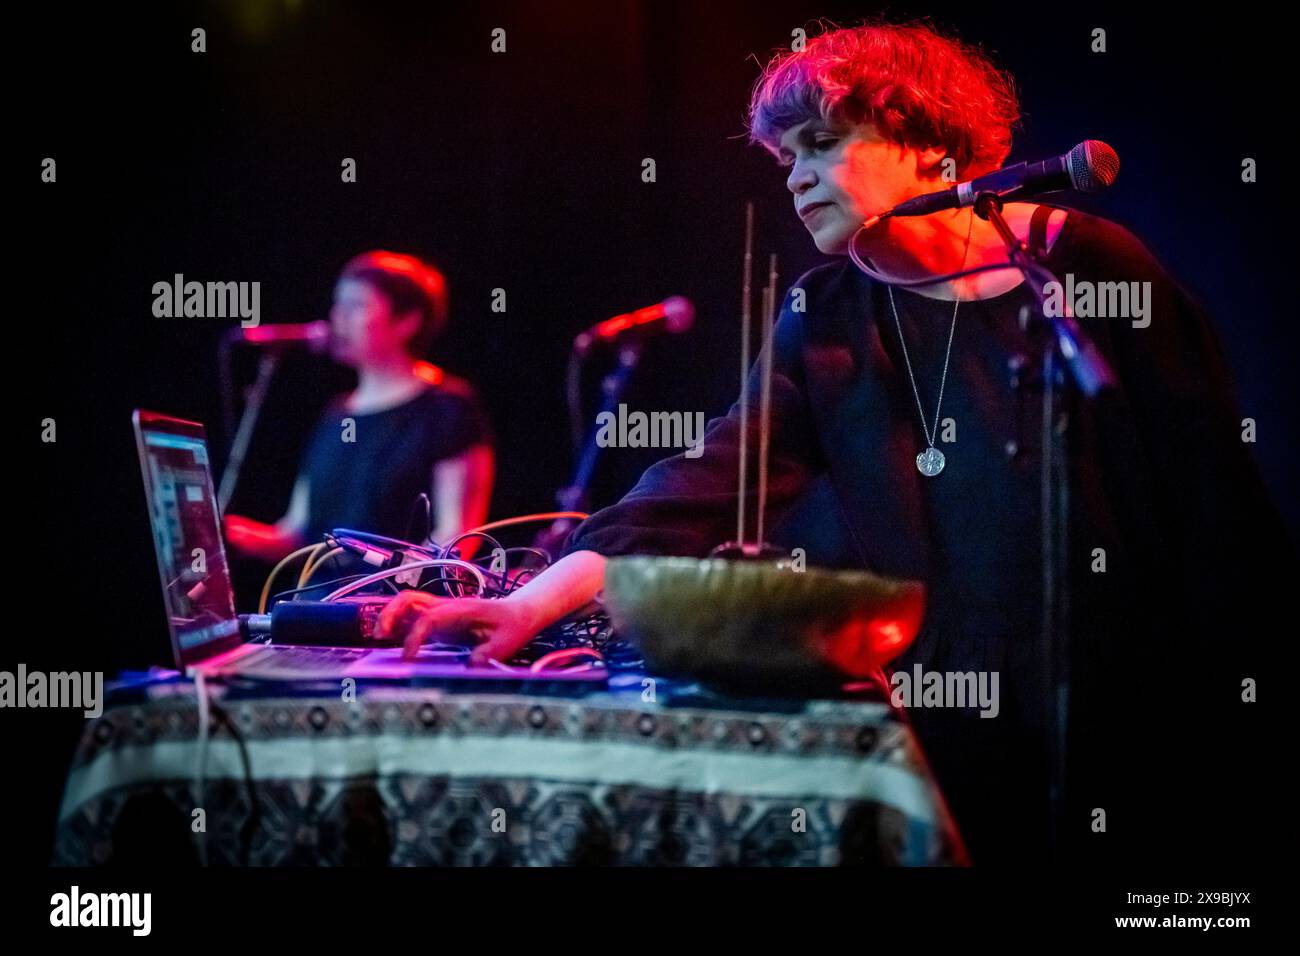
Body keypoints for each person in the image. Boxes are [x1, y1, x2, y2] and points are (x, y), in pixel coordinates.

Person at [377, 22, 1288, 865]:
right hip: (939, 734)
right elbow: (701, 485)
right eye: (785, 158)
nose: (795, 177)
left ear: (934, 143)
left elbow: (1219, 512)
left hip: (1129, 727)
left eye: (823, 144)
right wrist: (529, 605)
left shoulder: (1088, 266)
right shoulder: (827, 313)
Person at [224, 250, 494, 562]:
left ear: (407, 321)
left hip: (394, 603)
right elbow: (297, 534)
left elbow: (456, 535)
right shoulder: (336, 414)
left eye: (357, 306)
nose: (338, 317)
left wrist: (402, 581)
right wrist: (224, 532)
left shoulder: (447, 408)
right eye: (339, 304)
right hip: (317, 604)